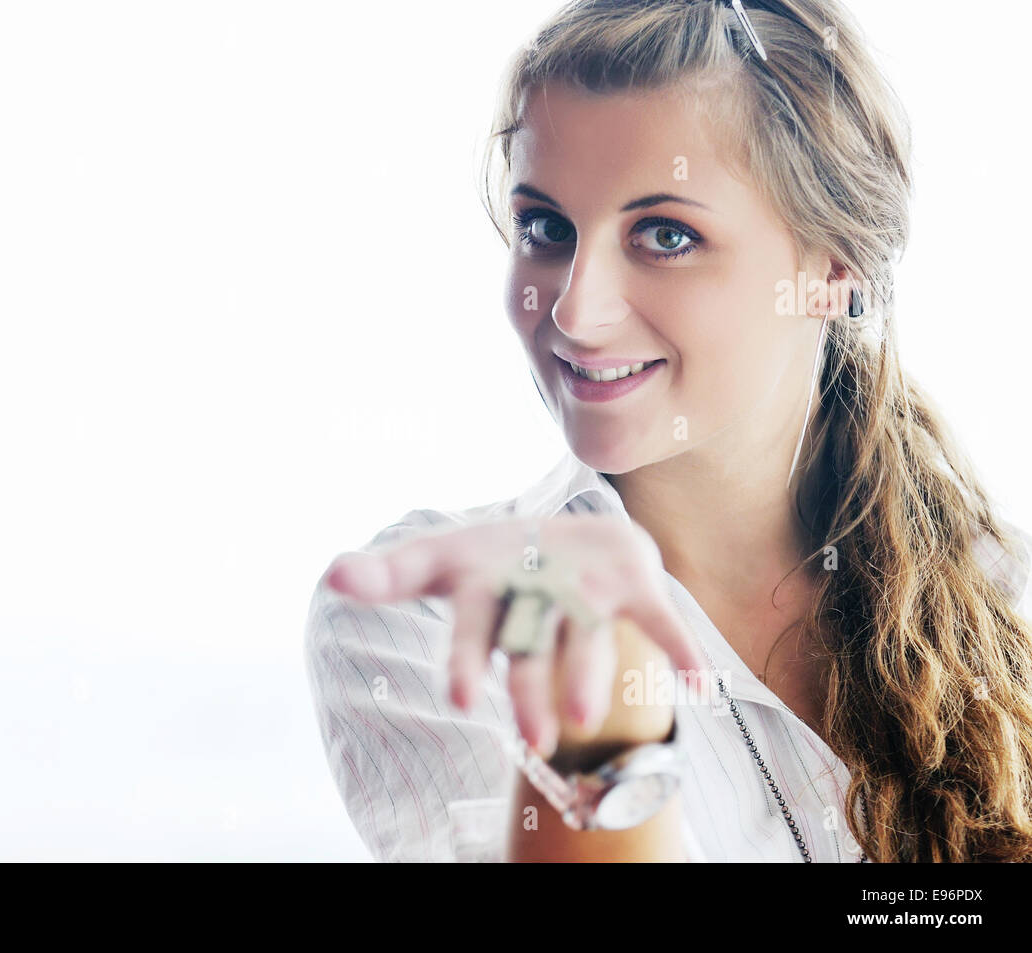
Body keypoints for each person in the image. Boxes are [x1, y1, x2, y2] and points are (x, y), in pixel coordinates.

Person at [303, 0, 1032, 862]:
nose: (576, 309)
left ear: (833, 267)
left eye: (664, 234)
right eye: (545, 228)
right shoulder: (428, 617)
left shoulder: (1008, 601)